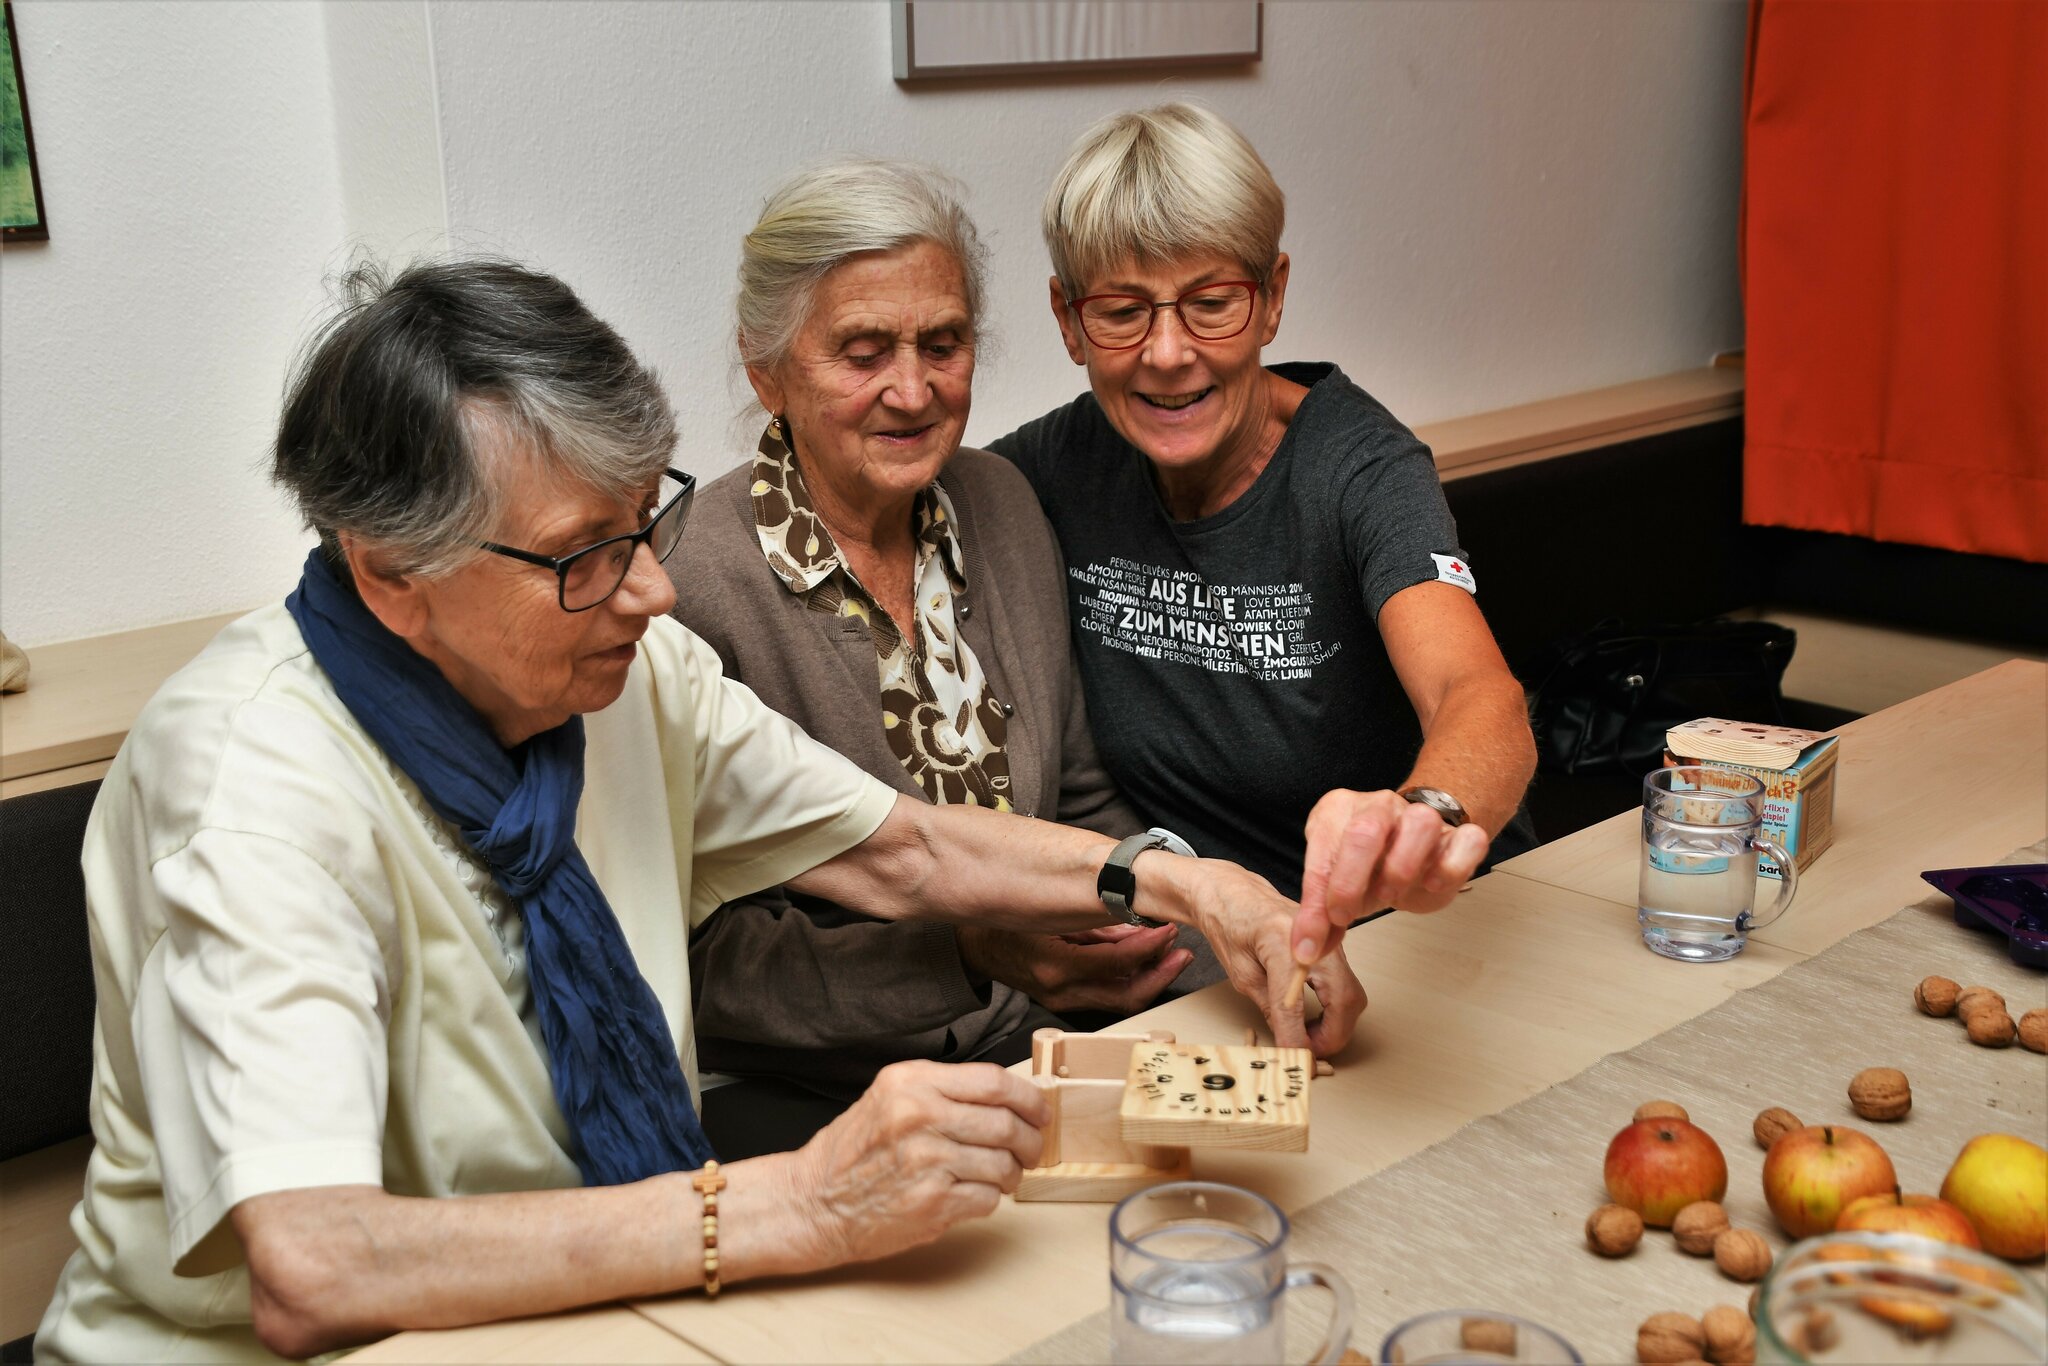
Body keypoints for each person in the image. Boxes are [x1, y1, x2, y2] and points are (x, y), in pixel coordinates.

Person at [37, 259, 1360, 1361]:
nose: (653, 591)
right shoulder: (251, 788)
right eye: (581, 554)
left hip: (598, 1304)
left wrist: (1188, 884)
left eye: (644, 518)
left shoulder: (617, 667)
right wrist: (787, 1203)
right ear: (395, 576)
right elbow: (317, 1263)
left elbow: (906, 848)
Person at [670, 162, 1359, 1151]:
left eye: (941, 344)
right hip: (831, 1104)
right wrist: (974, 957)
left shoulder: (999, 504)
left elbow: (1080, 806)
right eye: (862, 352)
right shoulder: (691, 578)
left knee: (1323, 1150)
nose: (912, 390)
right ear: (765, 366)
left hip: (1057, 1048)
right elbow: (700, 964)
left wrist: (1234, 958)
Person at [990, 103, 1539, 952]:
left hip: (1426, 937)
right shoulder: (1057, 465)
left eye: (1213, 303)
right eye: (1123, 312)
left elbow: (1480, 698)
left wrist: (1420, 817)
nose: (1168, 352)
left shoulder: (1359, 467)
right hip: (1222, 954)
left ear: (1274, 297)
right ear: (1069, 320)